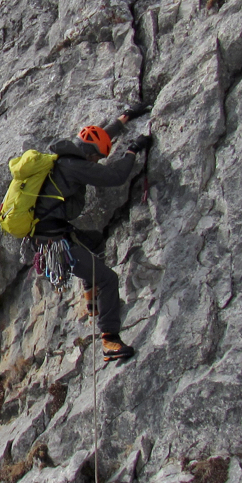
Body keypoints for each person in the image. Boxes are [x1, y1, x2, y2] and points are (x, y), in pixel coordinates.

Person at [31, 104, 153, 362]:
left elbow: (98, 139)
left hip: (52, 234)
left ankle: (91, 298)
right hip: (55, 244)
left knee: (97, 242)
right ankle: (110, 339)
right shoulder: (77, 166)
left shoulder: (67, 156)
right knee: (108, 279)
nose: (97, 161)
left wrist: (125, 118)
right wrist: (132, 150)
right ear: (88, 154)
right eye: (96, 157)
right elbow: (116, 175)